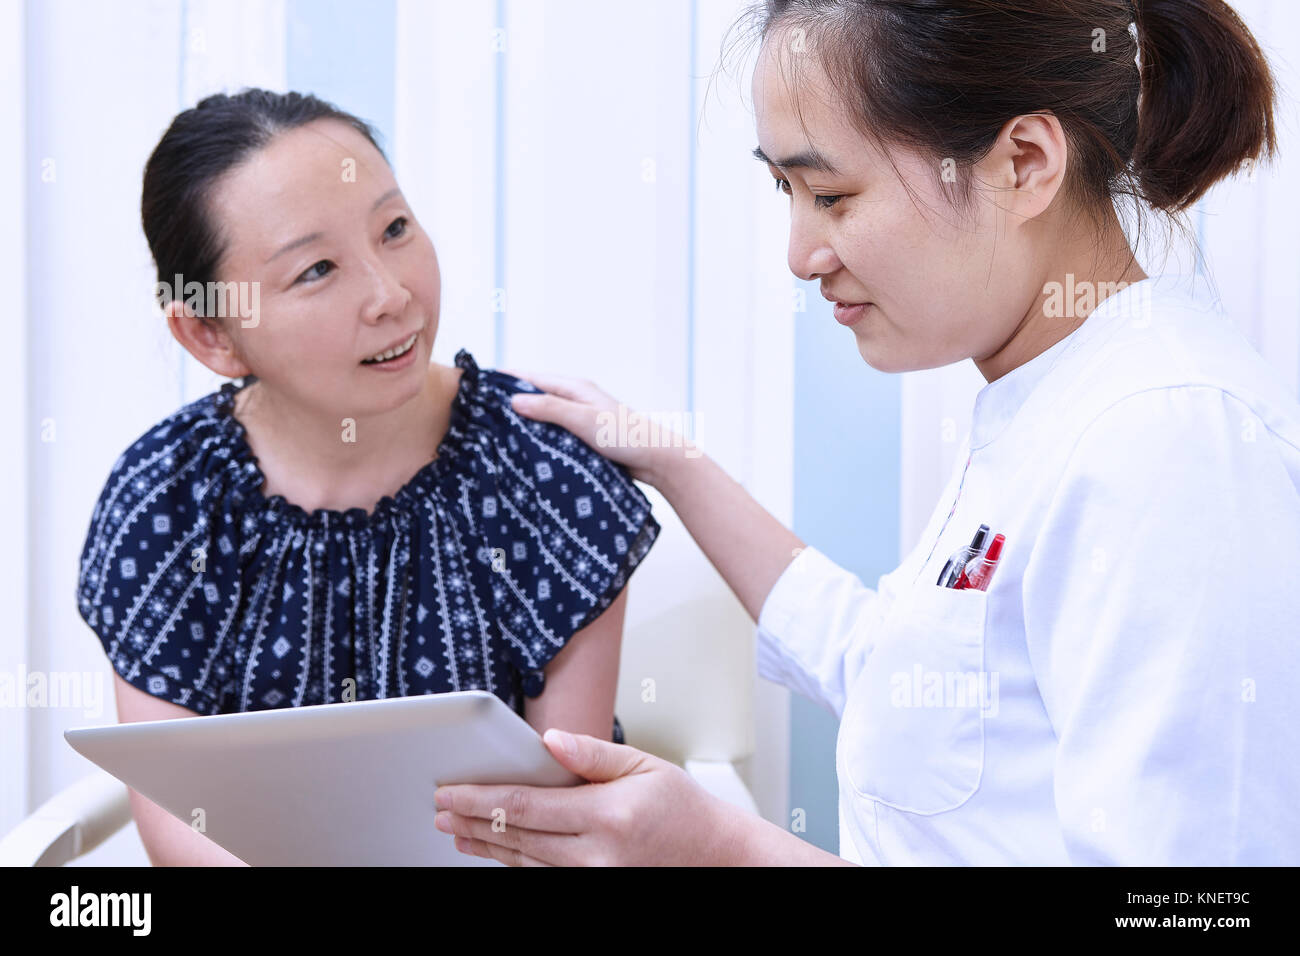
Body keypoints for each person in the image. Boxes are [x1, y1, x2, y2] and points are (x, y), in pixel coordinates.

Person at [431, 0, 1300, 866]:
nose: (800, 253)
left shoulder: (1168, 443)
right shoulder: (1048, 401)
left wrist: (726, 851)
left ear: (1023, 164)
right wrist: (672, 462)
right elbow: (902, 677)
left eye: (833, 195)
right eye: (787, 192)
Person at [76, 90, 660, 866]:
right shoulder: (165, 498)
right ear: (210, 332)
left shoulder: (544, 470)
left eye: (394, 229)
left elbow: (560, 812)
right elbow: (180, 821)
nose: (391, 296)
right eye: (317, 269)